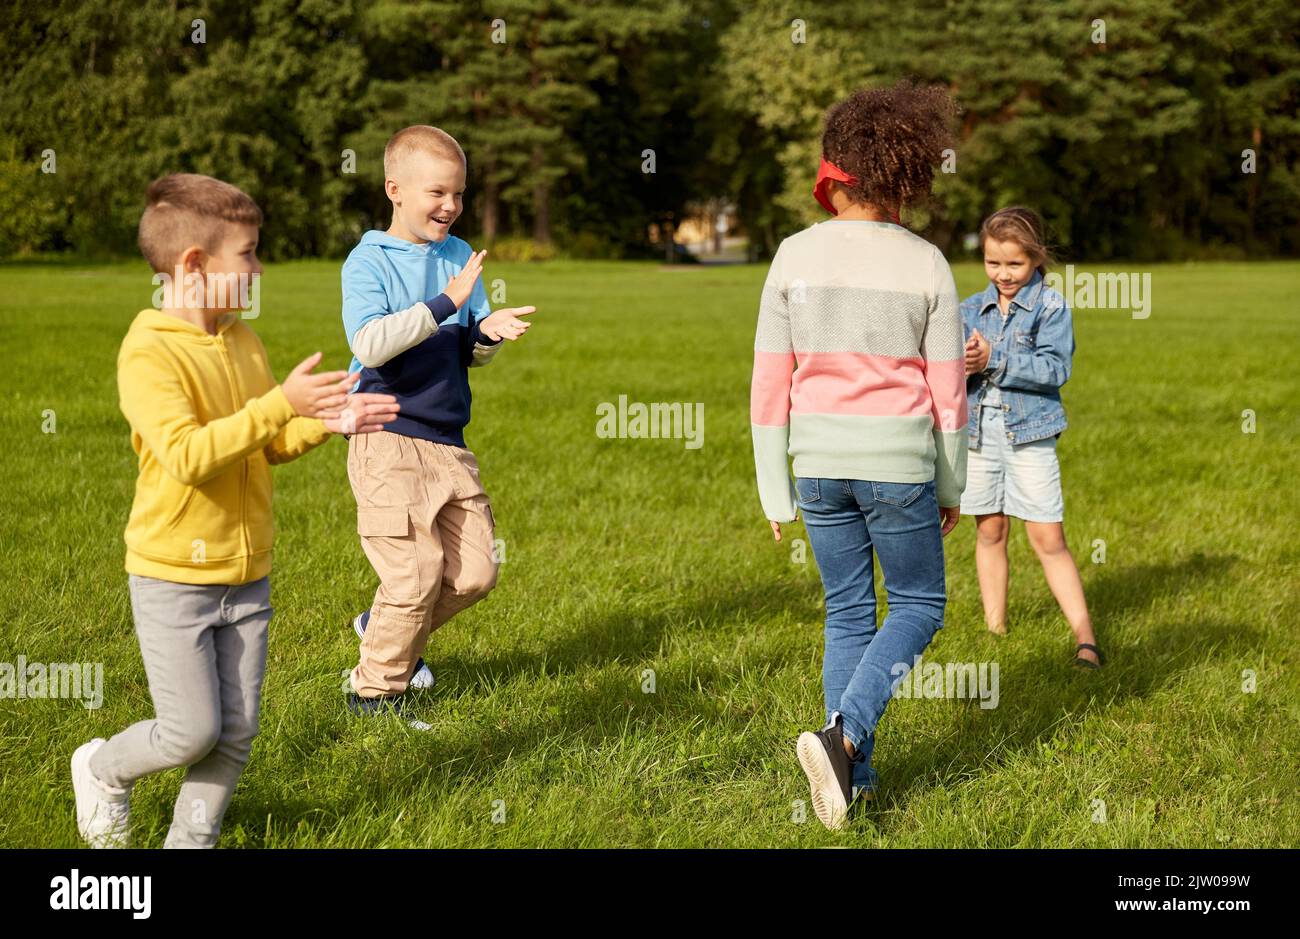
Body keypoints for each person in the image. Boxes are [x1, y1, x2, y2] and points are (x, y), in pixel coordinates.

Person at [72, 173, 398, 847]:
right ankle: (103, 769)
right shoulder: (149, 350)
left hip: (247, 574)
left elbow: (269, 442)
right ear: (195, 264)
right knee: (190, 729)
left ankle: (191, 841)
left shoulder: (241, 340)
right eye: (248, 252)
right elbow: (189, 454)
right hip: (173, 577)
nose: (259, 267)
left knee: (238, 729)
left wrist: (328, 420)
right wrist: (281, 402)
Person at [750, 82, 967, 830]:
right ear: (905, 176)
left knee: (847, 612)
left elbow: (768, 383)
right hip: (898, 464)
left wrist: (774, 491)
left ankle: (857, 778)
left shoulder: (791, 254)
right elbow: (949, 394)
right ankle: (841, 736)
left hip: (816, 464)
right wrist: (952, 482)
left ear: (832, 172)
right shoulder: (929, 263)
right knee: (919, 604)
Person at [340, 125, 536, 718]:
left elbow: (467, 346)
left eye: (458, 194)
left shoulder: (459, 254)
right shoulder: (368, 259)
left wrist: (487, 333)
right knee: (416, 575)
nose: (449, 206)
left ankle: (383, 627)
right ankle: (374, 696)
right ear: (394, 189)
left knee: (477, 571)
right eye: (436, 193)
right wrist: (446, 304)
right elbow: (371, 344)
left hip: (448, 440)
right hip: (386, 434)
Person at [960, 206, 1102, 668]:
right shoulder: (968, 310)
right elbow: (955, 379)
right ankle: (994, 631)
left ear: (1037, 257)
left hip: (1029, 437)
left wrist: (992, 358)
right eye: (992, 263)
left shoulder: (1052, 307)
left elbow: (1055, 369)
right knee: (990, 530)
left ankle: (1086, 639)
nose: (1002, 274)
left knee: (1047, 537)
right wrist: (958, 368)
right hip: (979, 439)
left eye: (1014, 264)